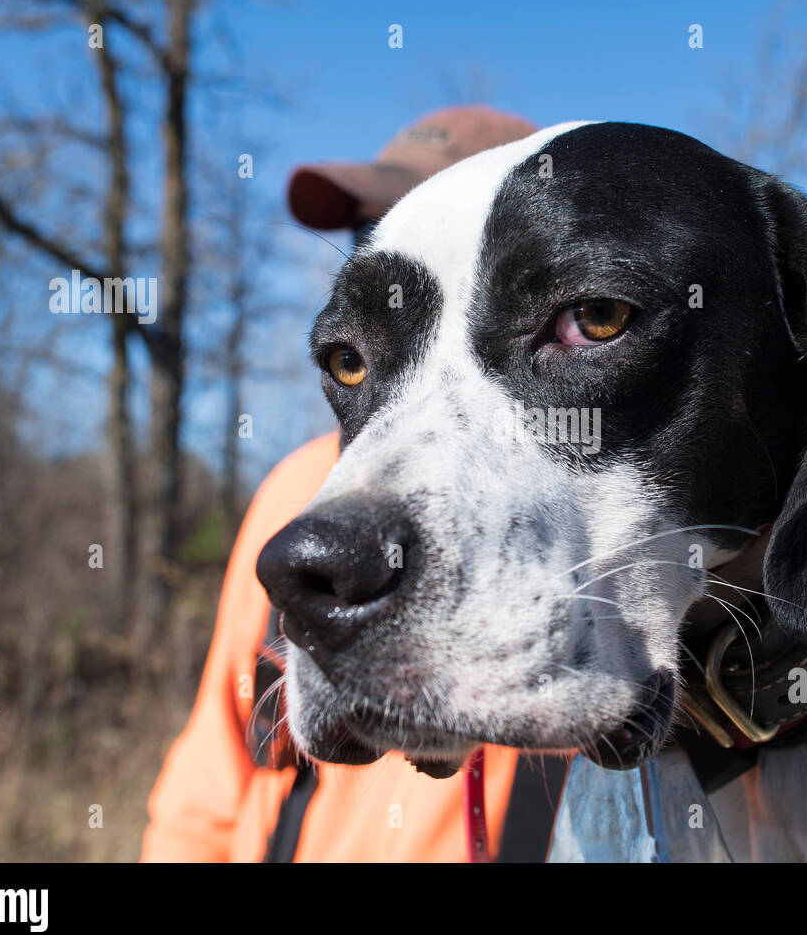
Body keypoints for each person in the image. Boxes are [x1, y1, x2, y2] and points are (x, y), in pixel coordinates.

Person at [141, 107, 567, 862]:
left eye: (419, 223)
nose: (380, 255)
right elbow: (211, 776)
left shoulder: (591, 492)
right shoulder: (296, 487)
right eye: (365, 235)